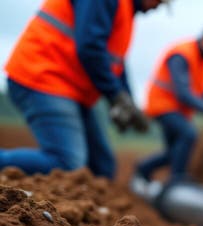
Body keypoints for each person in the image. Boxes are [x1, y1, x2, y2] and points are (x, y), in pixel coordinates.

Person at [0, 0, 171, 179]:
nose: (157, 6)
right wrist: (116, 96)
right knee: (66, 162)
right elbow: (90, 48)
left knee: (102, 167)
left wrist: (127, 100)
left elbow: (115, 62)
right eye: (159, 1)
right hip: (43, 75)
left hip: (69, 88)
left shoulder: (125, 11)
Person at [136, 23, 203, 183]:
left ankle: (143, 168)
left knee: (174, 152)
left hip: (178, 111)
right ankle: (177, 180)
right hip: (162, 105)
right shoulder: (182, 54)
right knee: (188, 134)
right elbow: (183, 95)